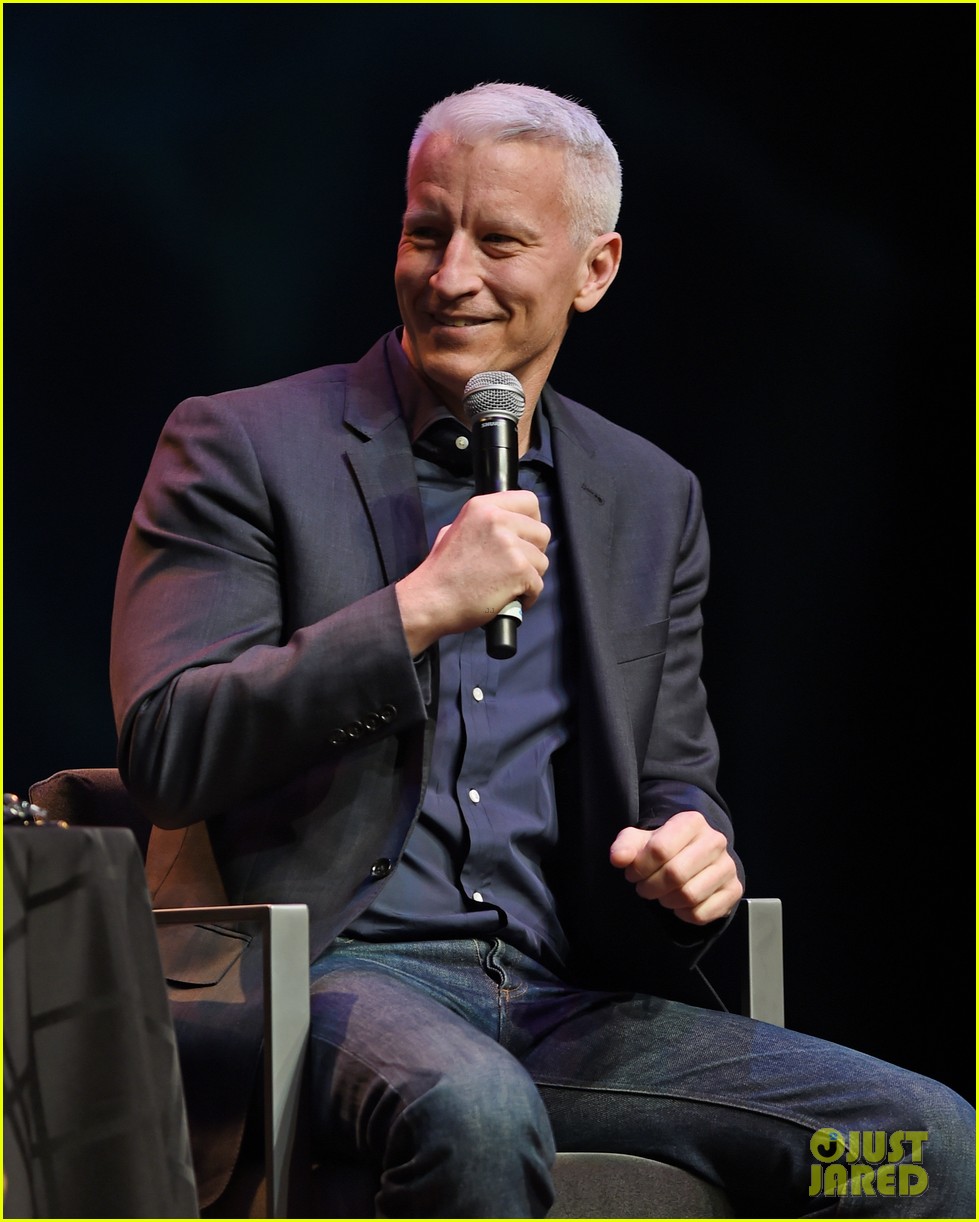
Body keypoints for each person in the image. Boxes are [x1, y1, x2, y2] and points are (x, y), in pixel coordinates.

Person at [109, 82, 974, 1218]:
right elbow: (168, 745)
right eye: (427, 232)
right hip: (319, 973)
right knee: (475, 1109)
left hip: (559, 999)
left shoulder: (647, 497)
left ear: (594, 269)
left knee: (918, 1142)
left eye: (498, 242)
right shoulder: (243, 445)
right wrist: (416, 608)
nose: (450, 274)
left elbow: (673, 771)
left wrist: (695, 842)